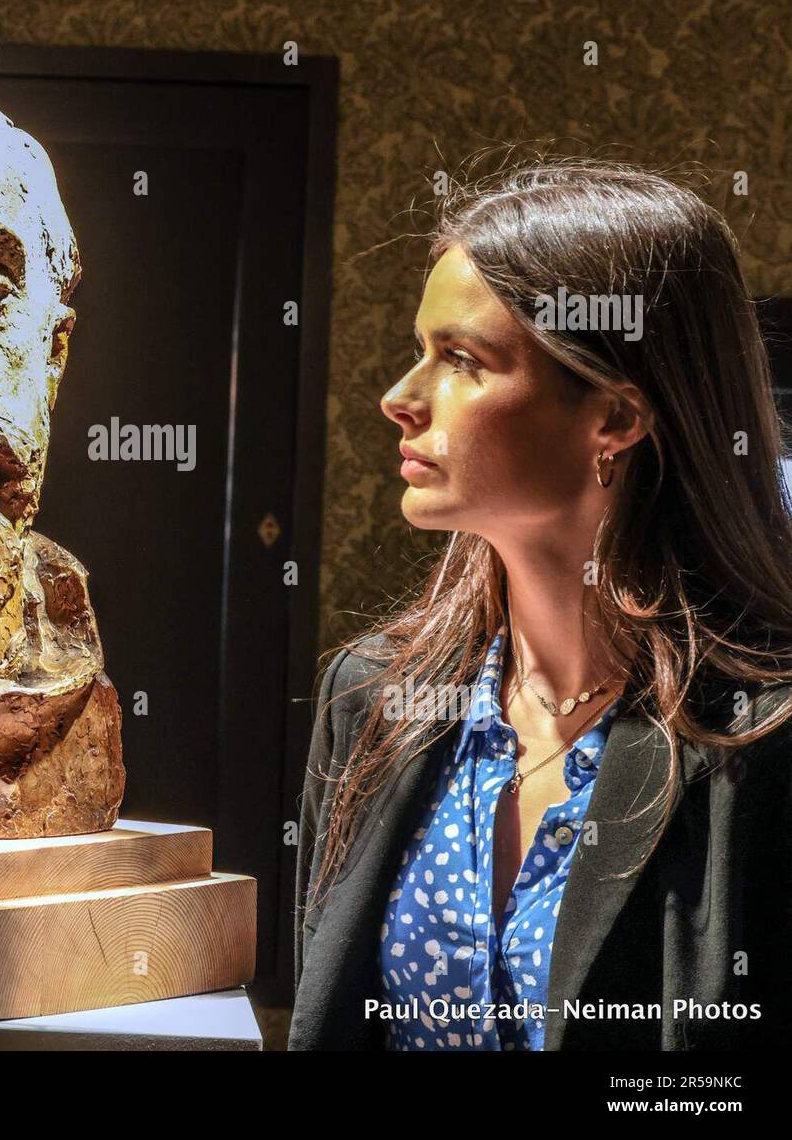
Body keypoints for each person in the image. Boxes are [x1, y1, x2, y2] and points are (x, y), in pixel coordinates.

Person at [289, 159, 792, 1051]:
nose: (400, 398)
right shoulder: (370, 698)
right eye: (420, 349)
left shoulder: (760, 742)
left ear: (617, 418)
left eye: (461, 359)